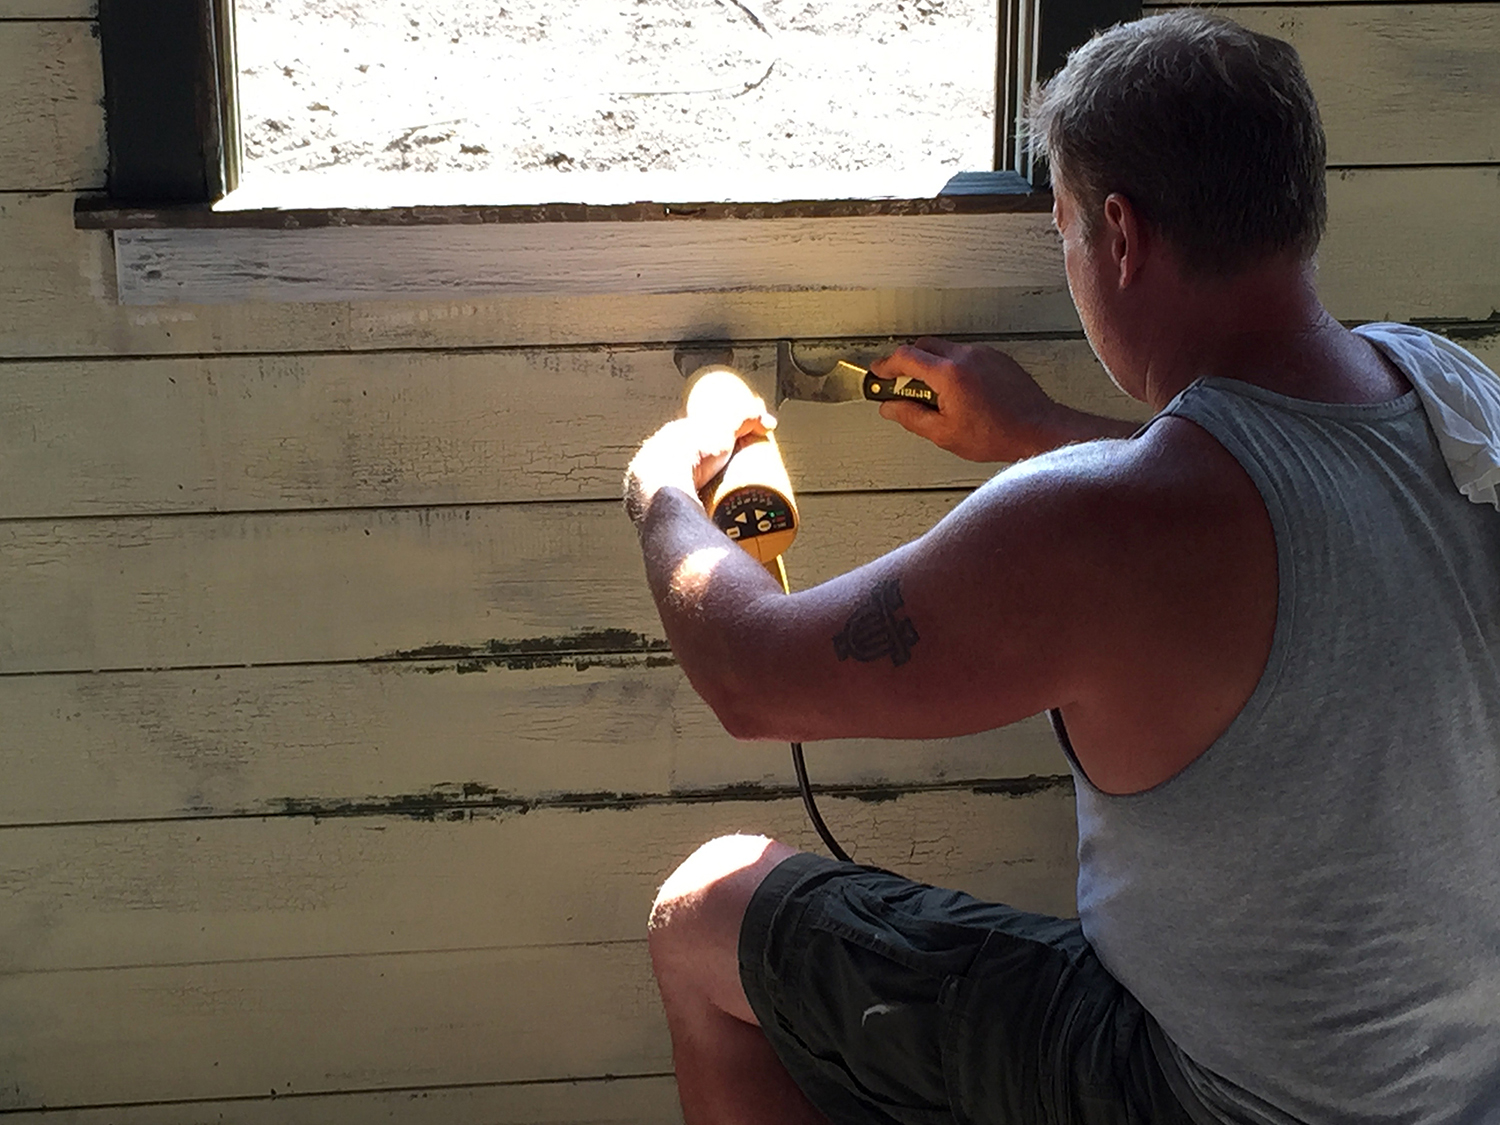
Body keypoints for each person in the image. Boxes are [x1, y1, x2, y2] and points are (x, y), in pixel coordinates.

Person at [622, 10, 1500, 1124]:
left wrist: (661, 490)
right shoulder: (1445, 388)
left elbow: (753, 675)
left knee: (704, 915)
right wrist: (1035, 426)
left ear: (1121, 234)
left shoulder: (1101, 526)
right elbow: (1276, 496)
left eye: (1065, 227)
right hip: (1460, 1085)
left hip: (1204, 1097)